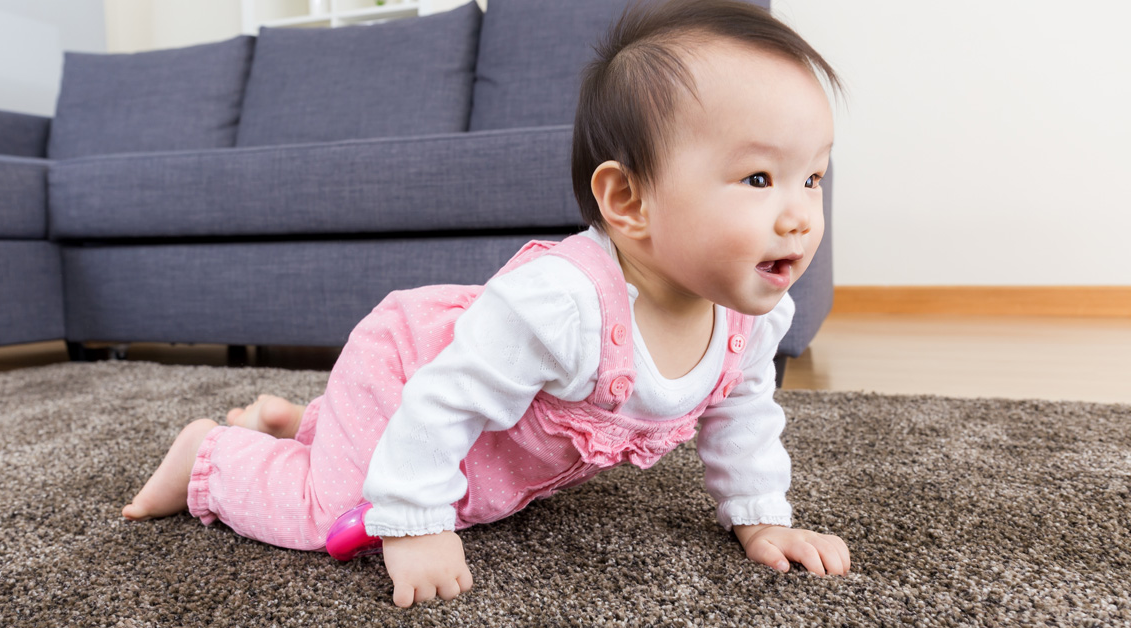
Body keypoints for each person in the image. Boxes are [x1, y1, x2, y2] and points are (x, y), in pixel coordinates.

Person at [122, 0, 851, 608]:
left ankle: (306, 426)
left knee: (470, 486)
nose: (799, 215)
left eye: (812, 177)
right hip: (414, 368)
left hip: (480, 434)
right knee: (337, 511)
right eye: (759, 179)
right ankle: (212, 456)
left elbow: (744, 415)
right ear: (628, 201)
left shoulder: (752, 318)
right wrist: (410, 524)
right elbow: (444, 403)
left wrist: (762, 520)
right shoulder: (562, 305)